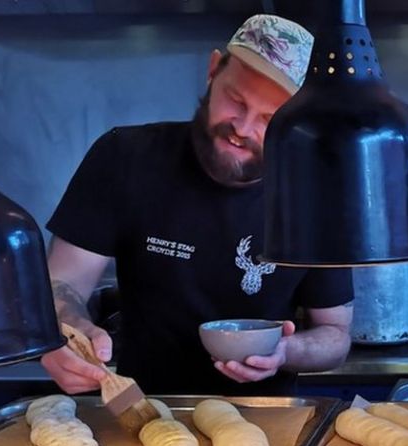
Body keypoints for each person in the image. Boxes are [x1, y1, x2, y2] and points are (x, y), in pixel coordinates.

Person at [40, 15, 354, 395]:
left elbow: (336, 335)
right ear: (211, 71)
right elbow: (62, 283)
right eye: (235, 100)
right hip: (146, 411)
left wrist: (286, 351)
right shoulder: (124, 157)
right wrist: (68, 328)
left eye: (270, 119)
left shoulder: (314, 196)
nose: (243, 126)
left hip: (269, 424)